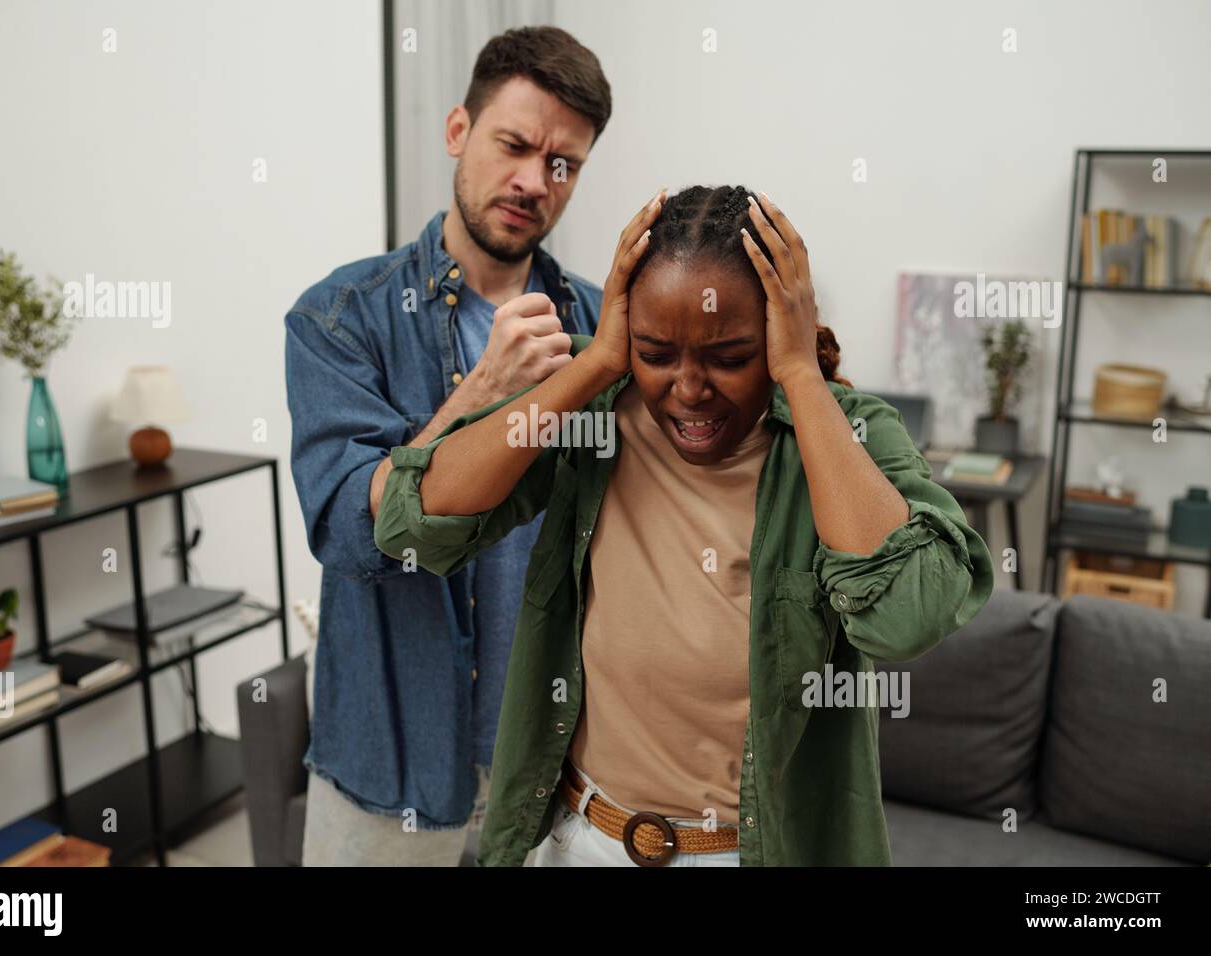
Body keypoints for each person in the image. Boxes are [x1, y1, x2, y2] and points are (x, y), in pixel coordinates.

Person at [374, 184, 995, 866]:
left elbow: (908, 617)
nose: (690, 388)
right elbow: (412, 527)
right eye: (656, 353)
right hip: (579, 838)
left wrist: (801, 376)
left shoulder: (850, 432)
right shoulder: (596, 410)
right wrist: (602, 362)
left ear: (777, 331)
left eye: (729, 357)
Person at [284, 26, 611, 866]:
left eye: (563, 163)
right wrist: (482, 391)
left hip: (554, 765)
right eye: (515, 145)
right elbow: (352, 534)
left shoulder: (604, 327)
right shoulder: (338, 317)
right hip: (386, 762)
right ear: (458, 130)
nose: (535, 180)